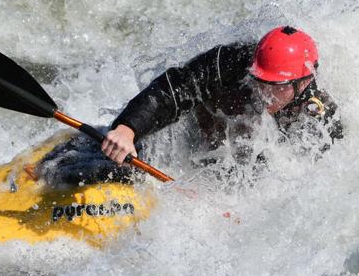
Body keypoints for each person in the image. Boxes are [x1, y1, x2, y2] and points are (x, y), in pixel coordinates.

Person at [37, 26, 343, 185]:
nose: (262, 92)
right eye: (258, 81)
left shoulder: (319, 117)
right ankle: (47, 167)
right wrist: (127, 129)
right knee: (109, 159)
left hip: (243, 169)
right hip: (196, 140)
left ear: (302, 83)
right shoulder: (231, 62)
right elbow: (170, 91)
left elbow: (311, 182)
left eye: (273, 87)